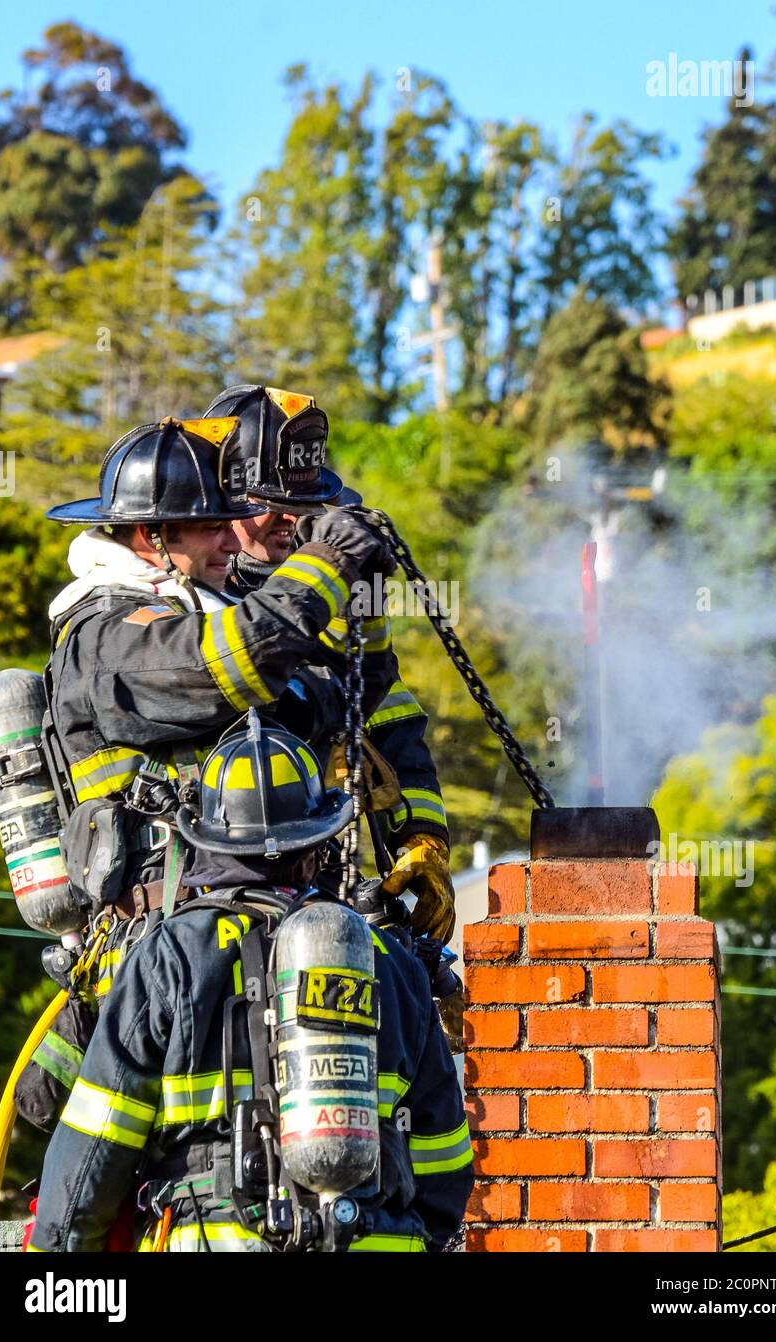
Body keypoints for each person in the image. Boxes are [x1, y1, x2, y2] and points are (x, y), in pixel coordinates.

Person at [26, 718, 473, 1253]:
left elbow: (95, 1147)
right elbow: (444, 1165)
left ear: (208, 843)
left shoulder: (170, 955)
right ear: (317, 845)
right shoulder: (392, 962)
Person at [42, 413, 396, 988]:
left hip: (266, 923)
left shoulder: (204, 612)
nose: (232, 542)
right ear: (151, 535)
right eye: (212, 528)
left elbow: (340, 696)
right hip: (166, 951)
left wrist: (364, 591)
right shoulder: (106, 635)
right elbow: (232, 663)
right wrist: (324, 560)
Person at [201, 385, 454, 947]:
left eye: (301, 503)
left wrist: (421, 837)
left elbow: (391, 720)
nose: (289, 519)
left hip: (324, 879)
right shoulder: (193, 607)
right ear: (222, 499)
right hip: (217, 891)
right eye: (267, 502)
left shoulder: (332, 598)